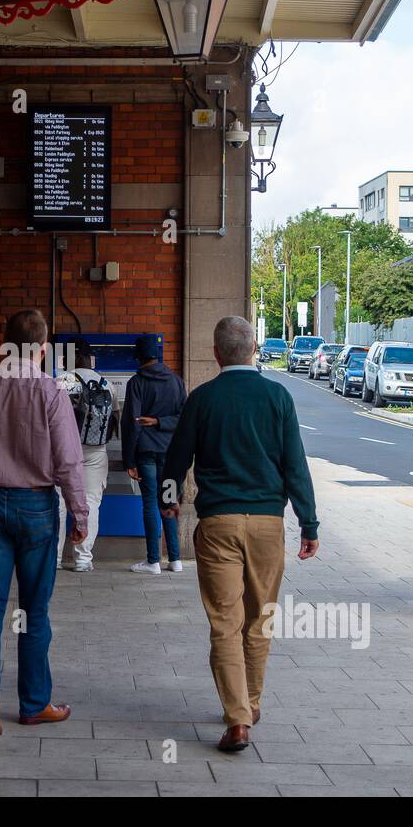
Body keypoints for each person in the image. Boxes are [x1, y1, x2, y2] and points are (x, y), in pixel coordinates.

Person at [160, 316, 319, 753]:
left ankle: (237, 720)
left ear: (216, 353)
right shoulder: (277, 397)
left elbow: (176, 459)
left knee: (224, 625)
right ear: (253, 350)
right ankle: (250, 702)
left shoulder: (202, 399)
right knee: (259, 619)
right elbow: (295, 465)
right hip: (268, 525)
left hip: (217, 526)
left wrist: (168, 500)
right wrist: (309, 523)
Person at [0, 309, 87, 738]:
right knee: (34, 609)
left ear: (4, 344)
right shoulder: (50, 390)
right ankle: (33, 703)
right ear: (43, 347)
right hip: (36, 509)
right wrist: (80, 515)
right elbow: (67, 461)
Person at [121, 335, 187, 575]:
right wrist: (163, 422)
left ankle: (153, 561)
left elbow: (131, 423)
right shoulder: (176, 381)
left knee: (150, 502)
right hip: (170, 456)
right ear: (158, 355)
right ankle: (176, 560)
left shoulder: (136, 382)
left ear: (138, 356)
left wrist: (129, 460)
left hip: (146, 453)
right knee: (168, 500)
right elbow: (184, 418)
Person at [55, 339, 119, 572]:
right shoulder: (106, 383)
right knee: (91, 502)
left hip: (65, 449)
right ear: (89, 358)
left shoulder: (65, 380)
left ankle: (55, 559)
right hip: (96, 450)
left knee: (60, 502)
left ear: (73, 358)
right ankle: (83, 559)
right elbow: (115, 420)